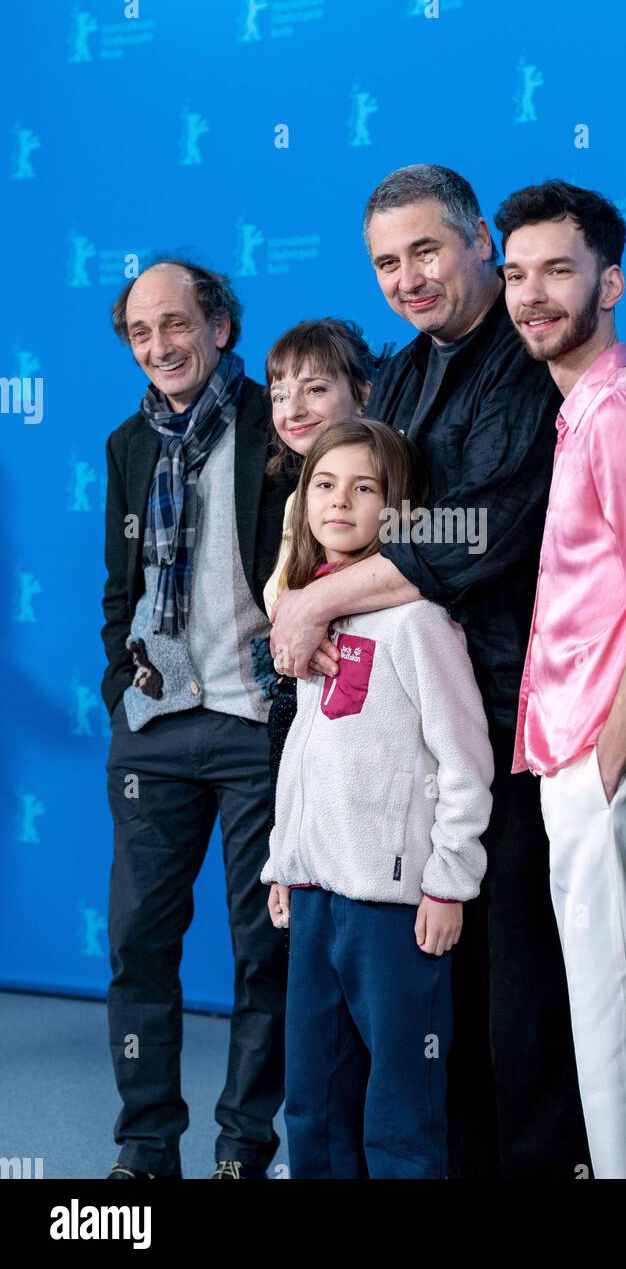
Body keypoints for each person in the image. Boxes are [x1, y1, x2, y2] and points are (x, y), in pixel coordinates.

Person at [269, 164, 586, 1178]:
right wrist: (293, 592)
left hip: (504, 726)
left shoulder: (528, 365)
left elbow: (480, 535)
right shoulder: (401, 371)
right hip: (390, 738)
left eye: (424, 251)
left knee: (511, 999)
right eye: (385, 261)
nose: (406, 276)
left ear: (478, 241)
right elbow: (356, 510)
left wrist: (319, 599)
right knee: (416, 1005)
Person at [495, 181, 626, 1178]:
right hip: (568, 751)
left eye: (555, 272)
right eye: (514, 273)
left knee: (612, 1016)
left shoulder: (618, 413)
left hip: (599, 756)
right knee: (598, 1010)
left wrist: (609, 762)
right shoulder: (580, 409)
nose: (529, 295)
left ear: (610, 282)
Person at [261, 418, 494, 1178]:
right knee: (313, 1102)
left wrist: (449, 882)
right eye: (325, 484)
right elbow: (304, 757)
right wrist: (285, 865)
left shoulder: (420, 622)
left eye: (366, 488)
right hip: (318, 898)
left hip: (396, 913)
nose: (341, 502)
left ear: (399, 511)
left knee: (401, 1107)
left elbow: (463, 759)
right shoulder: (310, 612)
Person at [101, 259, 292, 1179]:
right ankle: (145, 1151)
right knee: (140, 946)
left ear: (220, 326)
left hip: (257, 723)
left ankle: (243, 1150)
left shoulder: (282, 426)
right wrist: (121, 689)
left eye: (176, 325)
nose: (159, 348)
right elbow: (120, 587)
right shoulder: (127, 445)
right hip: (155, 725)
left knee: (265, 953)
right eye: (141, 334)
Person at [259, 318, 376, 925]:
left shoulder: (389, 490)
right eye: (279, 393)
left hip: (357, 720)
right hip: (293, 709)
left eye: (313, 388)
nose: (292, 408)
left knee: (353, 903)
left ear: (362, 391)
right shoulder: (292, 500)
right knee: (297, 902)